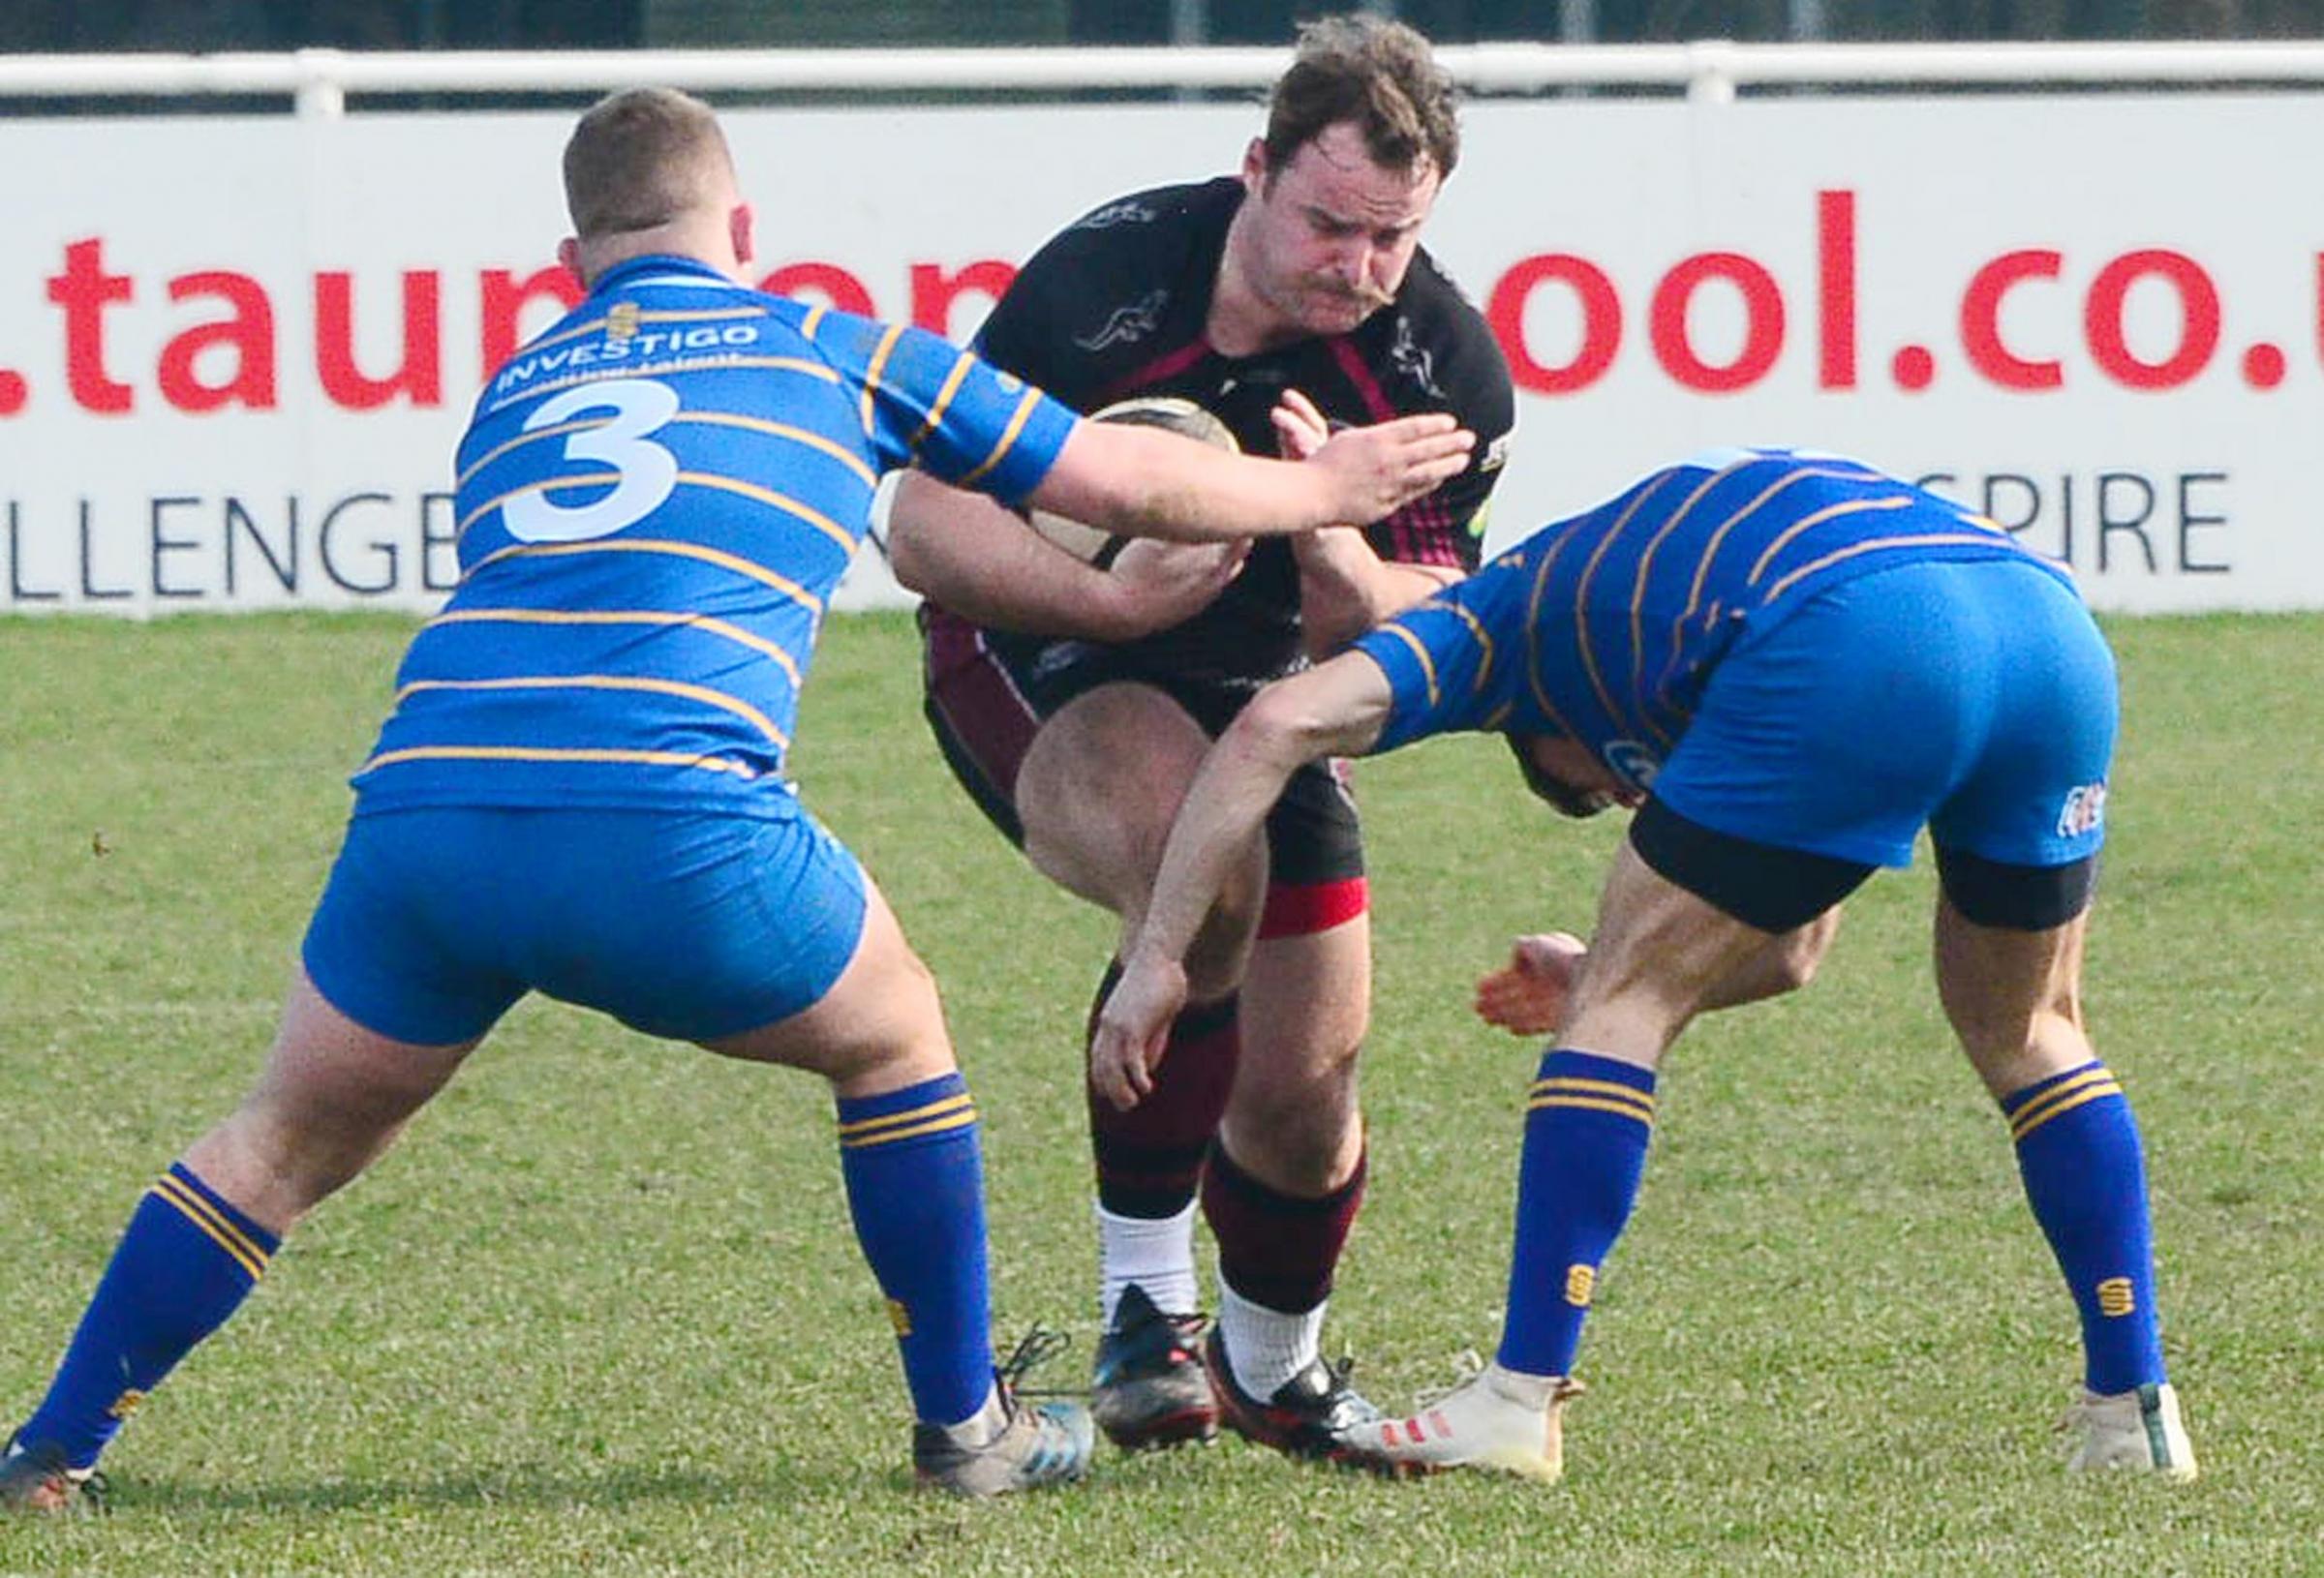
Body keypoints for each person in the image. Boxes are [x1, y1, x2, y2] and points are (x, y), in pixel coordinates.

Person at [0, 86, 1475, 1514]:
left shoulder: (521, 385)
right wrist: (1320, 488)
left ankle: (50, 1448)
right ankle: (972, 1428)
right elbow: (1125, 479)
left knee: (272, 1143)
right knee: (897, 1037)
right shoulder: (832, 346)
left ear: (571, 266)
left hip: (426, 816)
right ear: (741, 225)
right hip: (669, 819)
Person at [1092, 447, 2199, 1482]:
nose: (1631, 795)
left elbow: (1275, 720)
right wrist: (1613, 968)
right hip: (2047, 624)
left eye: (1602, 783)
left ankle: (1518, 1398)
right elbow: (1796, 949)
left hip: (1864, 623)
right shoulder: (1647, 622)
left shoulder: (1490, 626)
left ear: (1535, 727)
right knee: (2032, 1029)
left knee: (1624, 1009)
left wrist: (1156, 959)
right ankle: (2131, 1410)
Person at [884, 14, 1516, 1463]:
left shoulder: (1441, 368)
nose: (1356, 269)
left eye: (1393, 239)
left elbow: (1429, 622)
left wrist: (1343, 558)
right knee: (1196, 864)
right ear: (1256, 172)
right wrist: (1100, 596)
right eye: (1330, 224)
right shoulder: (1109, 279)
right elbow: (924, 521)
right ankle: (1142, 1317)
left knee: (1307, 1088)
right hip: (1042, 645)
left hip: (1271, 683)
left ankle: (1274, 1369)